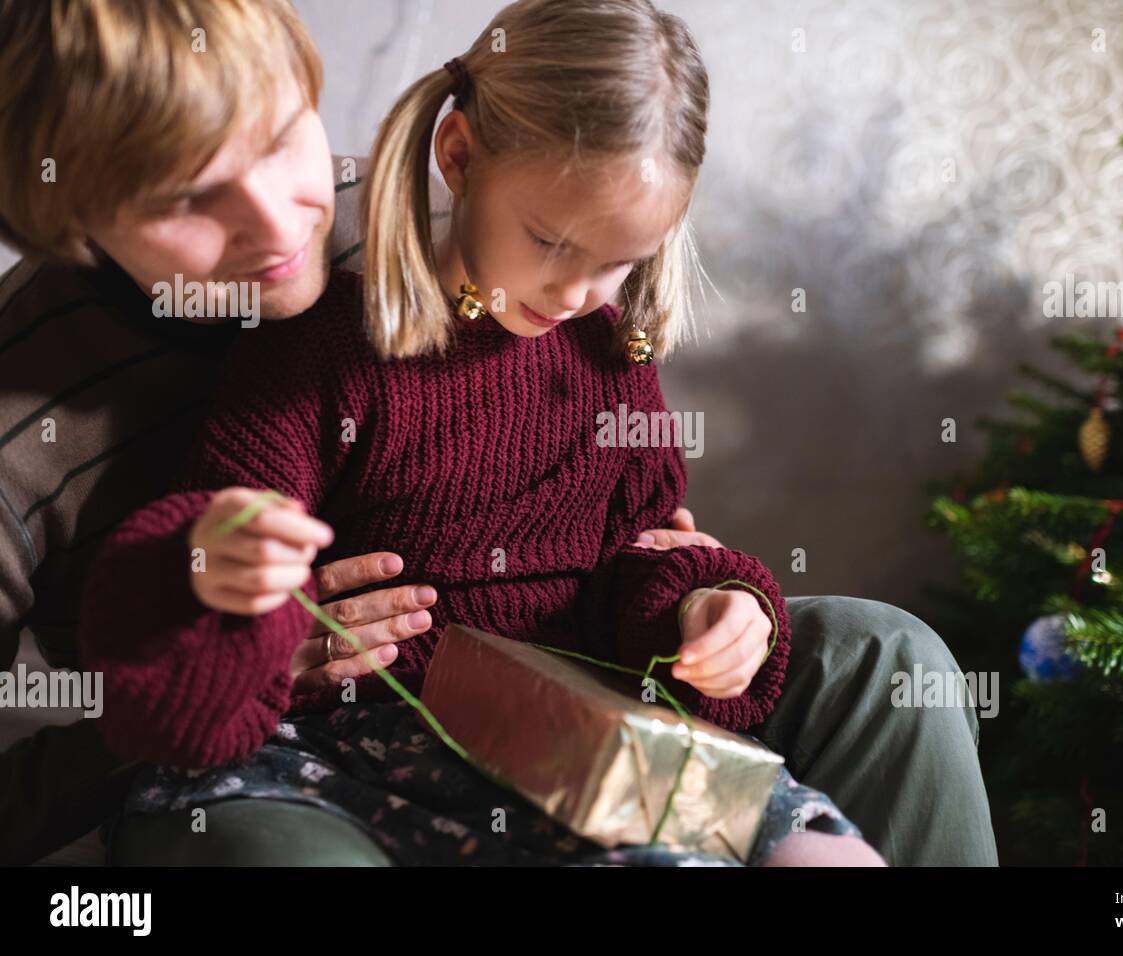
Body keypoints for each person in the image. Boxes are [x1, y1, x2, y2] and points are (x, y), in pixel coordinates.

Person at [0, 0, 997, 866]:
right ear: (68, 213)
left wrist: (710, 598)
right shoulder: (60, 410)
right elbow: (187, 557)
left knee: (878, 662)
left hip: (564, 690)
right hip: (312, 736)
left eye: (277, 140)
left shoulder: (463, 247)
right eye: (187, 198)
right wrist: (248, 643)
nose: (279, 224)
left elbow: (634, 540)